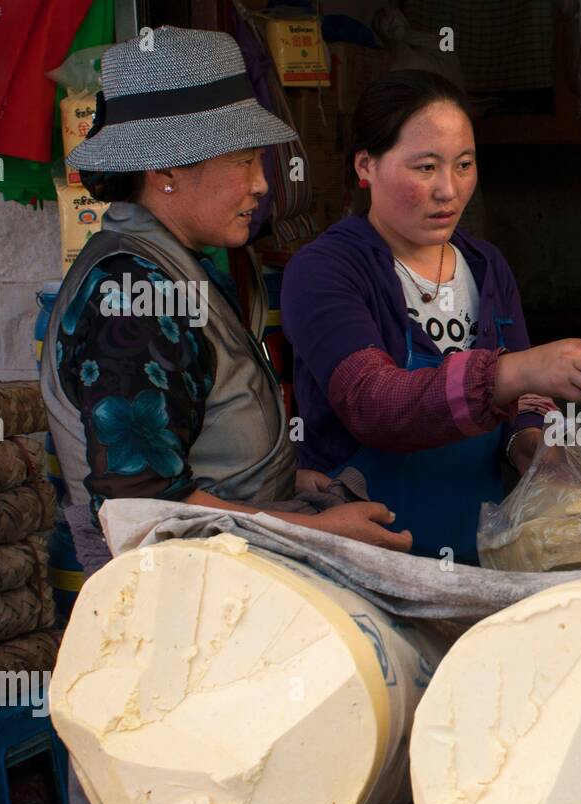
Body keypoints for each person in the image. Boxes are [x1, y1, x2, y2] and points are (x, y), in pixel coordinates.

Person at [38, 27, 413, 574]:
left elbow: (203, 449)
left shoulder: (172, 266)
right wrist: (318, 530)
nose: (261, 185)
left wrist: (284, 482)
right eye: (243, 161)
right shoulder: (134, 299)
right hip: (174, 611)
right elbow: (141, 512)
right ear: (166, 169)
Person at [281, 70, 581, 565]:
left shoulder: (486, 267)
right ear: (366, 166)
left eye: (464, 164)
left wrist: (533, 444)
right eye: (425, 168)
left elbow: (526, 399)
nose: (449, 190)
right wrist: (520, 369)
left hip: (469, 550)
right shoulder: (324, 271)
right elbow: (374, 404)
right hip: (363, 554)